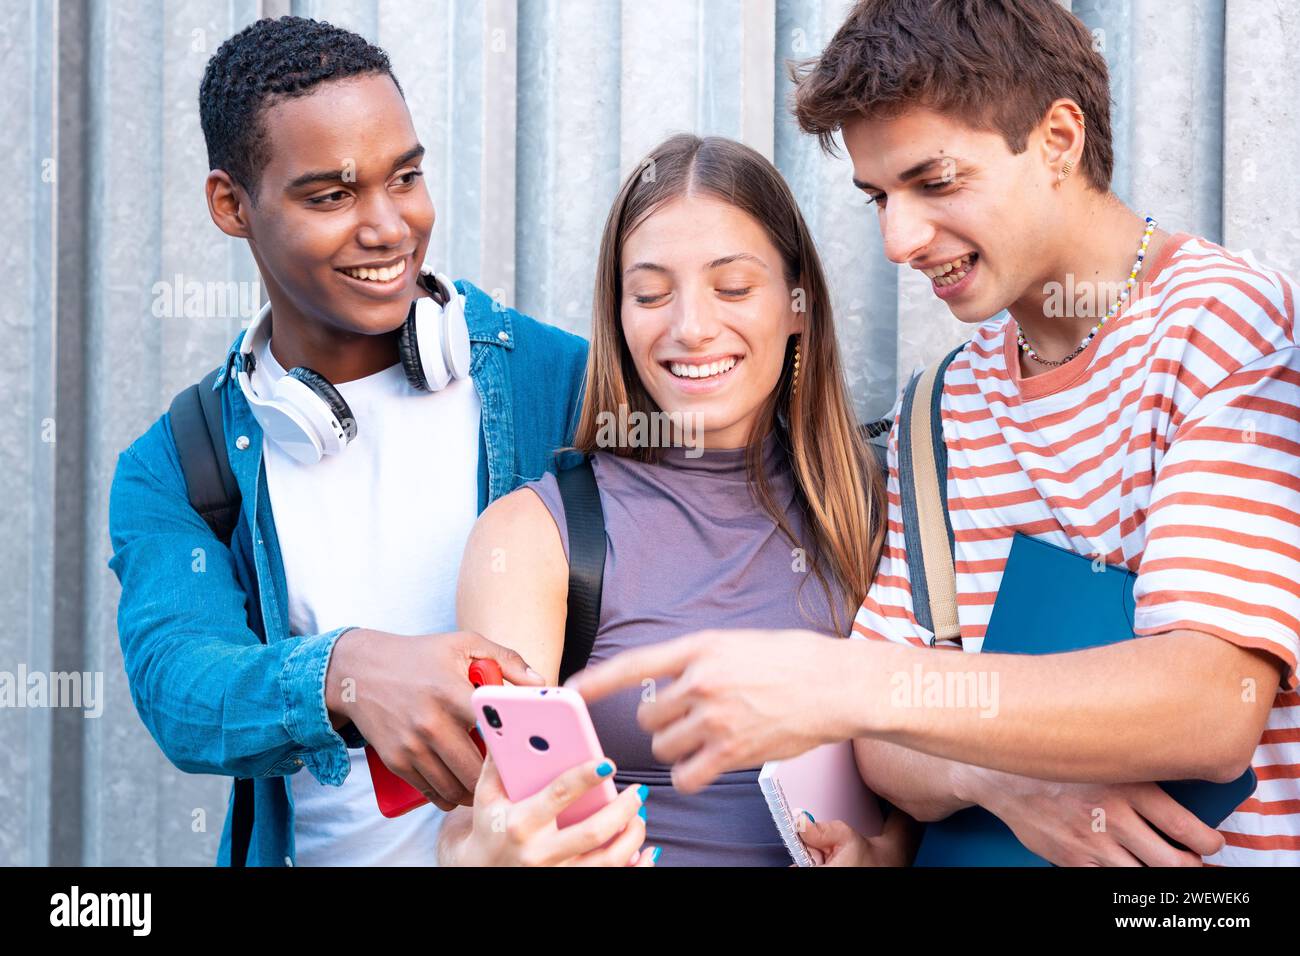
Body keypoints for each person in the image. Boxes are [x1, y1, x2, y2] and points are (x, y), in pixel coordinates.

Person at [569, 0, 1300, 867]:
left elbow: (1212, 707)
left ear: (1058, 140)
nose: (898, 239)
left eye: (935, 182)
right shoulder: (938, 408)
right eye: (878, 196)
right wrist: (1000, 780)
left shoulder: (1232, 328)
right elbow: (883, 750)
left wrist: (850, 686)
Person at [108, 16, 587, 866]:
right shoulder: (179, 463)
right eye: (330, 196)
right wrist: (345, 672)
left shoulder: (558, 382)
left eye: (405, 177)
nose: (388, 227)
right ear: (231, 205)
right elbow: (178, 687)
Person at [436, 133, 915, 866]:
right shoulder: (535, 536)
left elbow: (930, 780)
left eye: (732, 287)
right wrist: (490, 855)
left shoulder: (884, 509)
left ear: (797, 306)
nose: (690, 327)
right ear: (618, 316)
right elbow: (481, 817)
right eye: (652, 293)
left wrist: (882, 855)